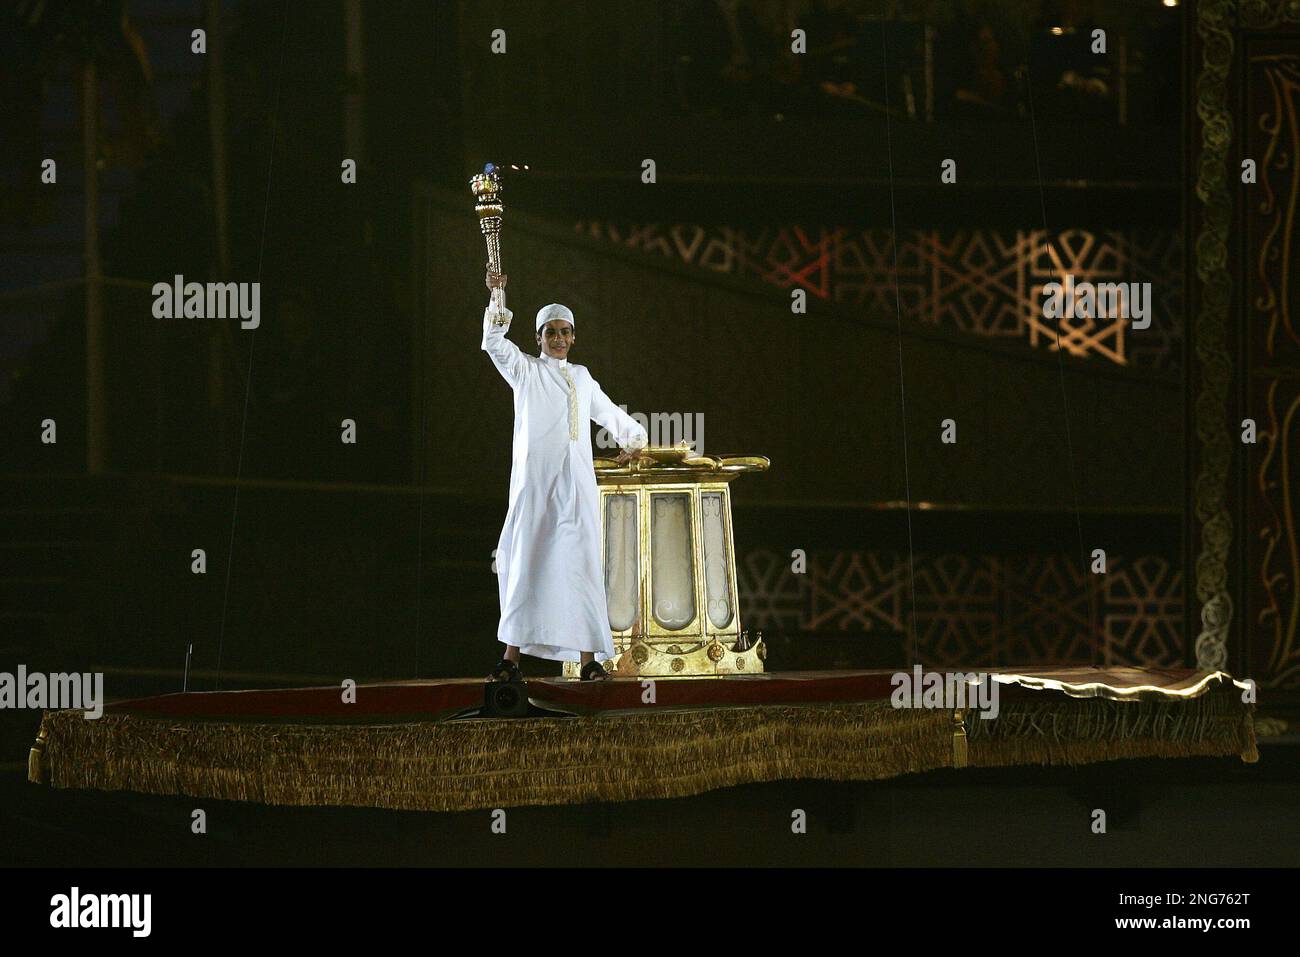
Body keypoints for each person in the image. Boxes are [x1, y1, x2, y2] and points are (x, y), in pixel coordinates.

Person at [480, 269, 648, 681]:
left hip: (576, 490)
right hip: (535, 487)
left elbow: (607, 412)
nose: (557, 338)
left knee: (582, 568)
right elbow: (492, 343)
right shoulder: (525, 371)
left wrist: (635, 440)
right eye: (550, 332)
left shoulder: (582, 377)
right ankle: (510, 660)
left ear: (573, 337)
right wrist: (498, 296)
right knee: (526, 564)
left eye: (564, 332)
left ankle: (590, 662)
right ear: (538, 338)